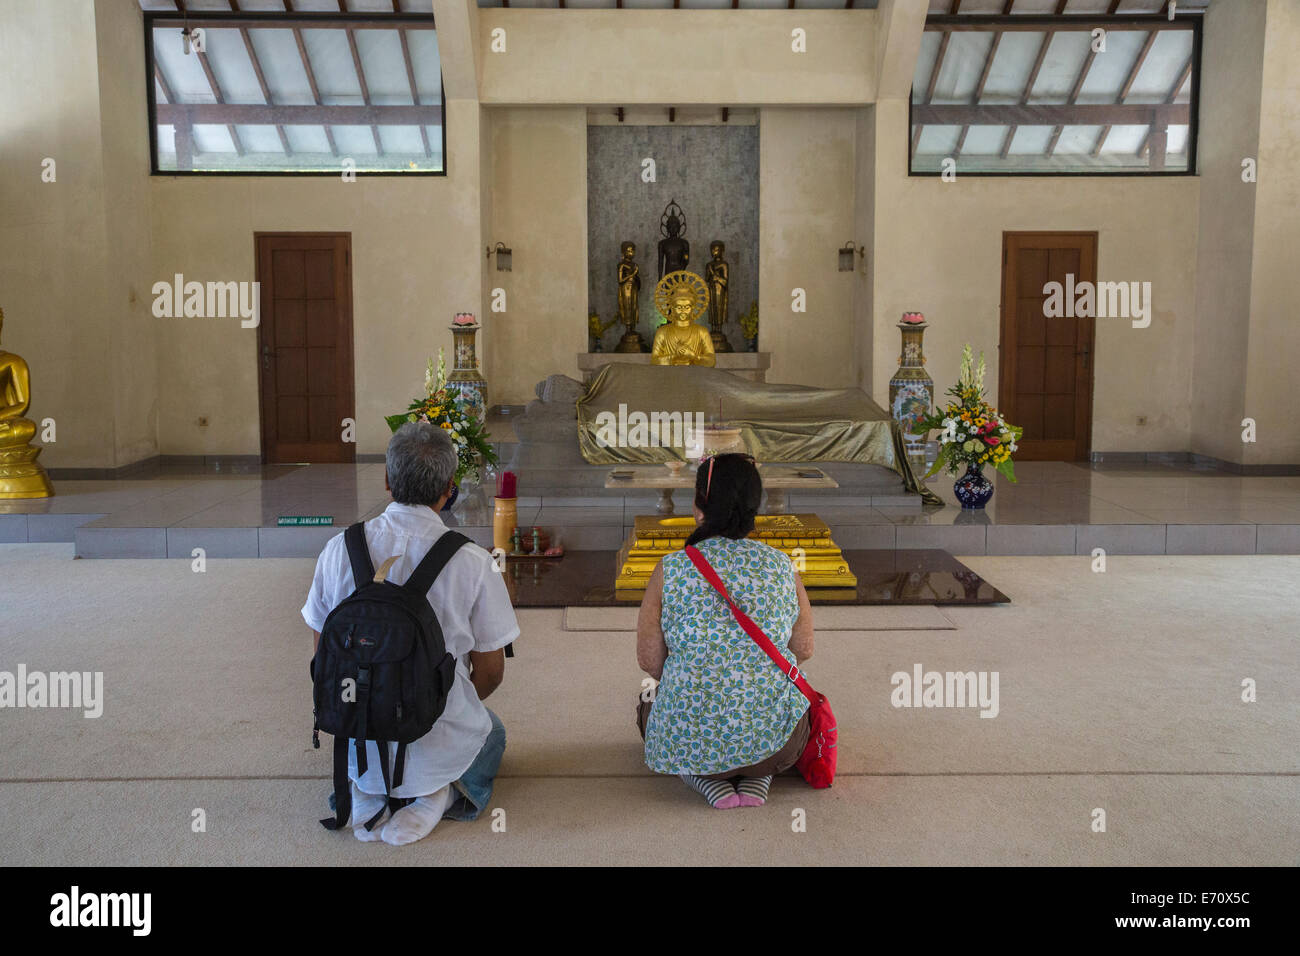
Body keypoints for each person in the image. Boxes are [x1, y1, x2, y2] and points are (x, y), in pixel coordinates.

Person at [302, 422, 519, 845]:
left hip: (357, 725)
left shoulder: (338, 548)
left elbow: (321, 658)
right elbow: (491, 673)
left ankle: (366, 787)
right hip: (434, 725)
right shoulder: (472, 561)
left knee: (371, 733)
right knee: (493, 732)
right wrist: (440, 701)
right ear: (449, 488)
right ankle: (436, 789)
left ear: (386, 480)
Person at [636, 453, 815, 808]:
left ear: (698, 506)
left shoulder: (671, 568)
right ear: (754, 506)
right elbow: (804, 648)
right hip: (778, 746)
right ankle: (758, 773)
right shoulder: (781, 564)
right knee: (787, 706)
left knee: (646, 698)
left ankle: (700, 775)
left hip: (687, 741)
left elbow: (650, 661)